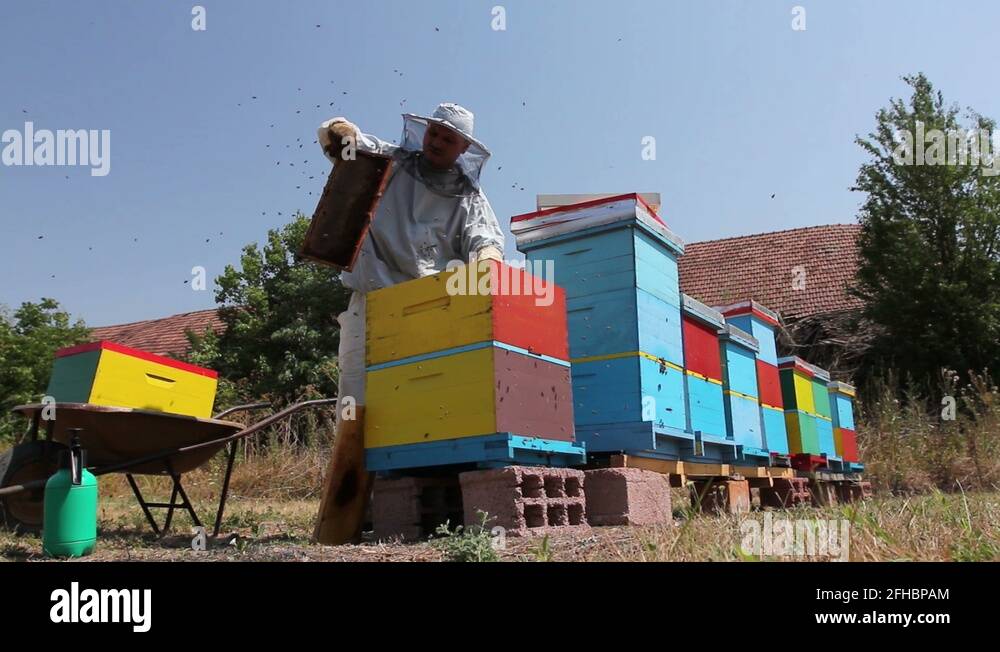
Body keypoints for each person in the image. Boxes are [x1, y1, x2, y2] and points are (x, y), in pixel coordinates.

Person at [313, 103, 504, 544]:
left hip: (427, 307)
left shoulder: (469, 196)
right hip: (371, 297)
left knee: (425, 404)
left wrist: (488, 267)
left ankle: (419, 507)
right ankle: (347, 514)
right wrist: (341, 131)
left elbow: (486, 241)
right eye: (434, 133)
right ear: (425, 132)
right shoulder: (391, 162)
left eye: (448, 139)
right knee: (355, 401)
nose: (438, 143)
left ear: (463, 149)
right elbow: (344, 146)